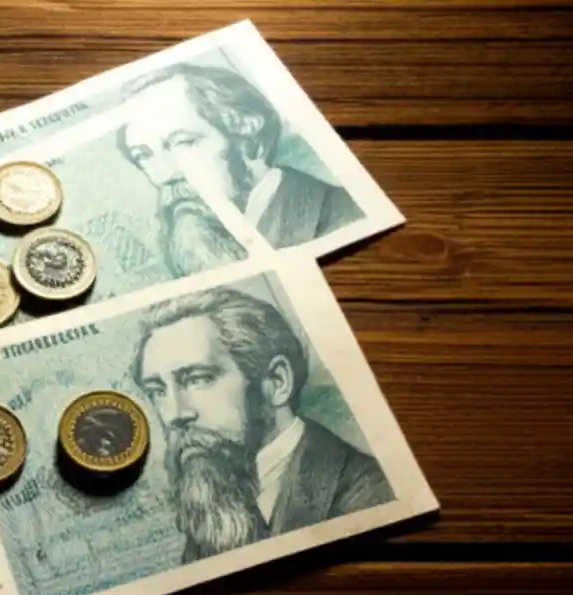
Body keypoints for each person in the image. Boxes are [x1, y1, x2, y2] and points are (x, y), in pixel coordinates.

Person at [133, 287, 392, 562]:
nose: (174, 413)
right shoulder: (212, 498)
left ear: (278, 383)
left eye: (198, 379)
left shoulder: (371, 495)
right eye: (157, 391)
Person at [119, 63, 363, 261]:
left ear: (248, 133)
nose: (164, 175)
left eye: (184, 142)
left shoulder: (343, 216)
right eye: (143, 155)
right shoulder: (198, 249)